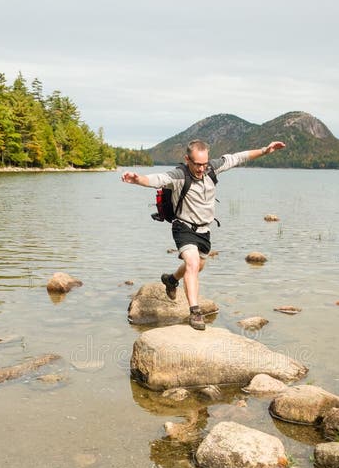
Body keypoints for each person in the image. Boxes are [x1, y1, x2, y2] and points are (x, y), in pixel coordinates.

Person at [121, 138, 285, 329]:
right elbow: (158, 179)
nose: (201, 169)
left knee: (198, 266)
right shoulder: (179, 175)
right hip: (183, 226)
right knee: (192, 263)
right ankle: (195, 313)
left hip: (204, 230)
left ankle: (171, 279)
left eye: (204, 164)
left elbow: (239, 157)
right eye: (197, 164)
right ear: (187, 159)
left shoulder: (211, 169)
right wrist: (137, 179)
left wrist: (265, 150)